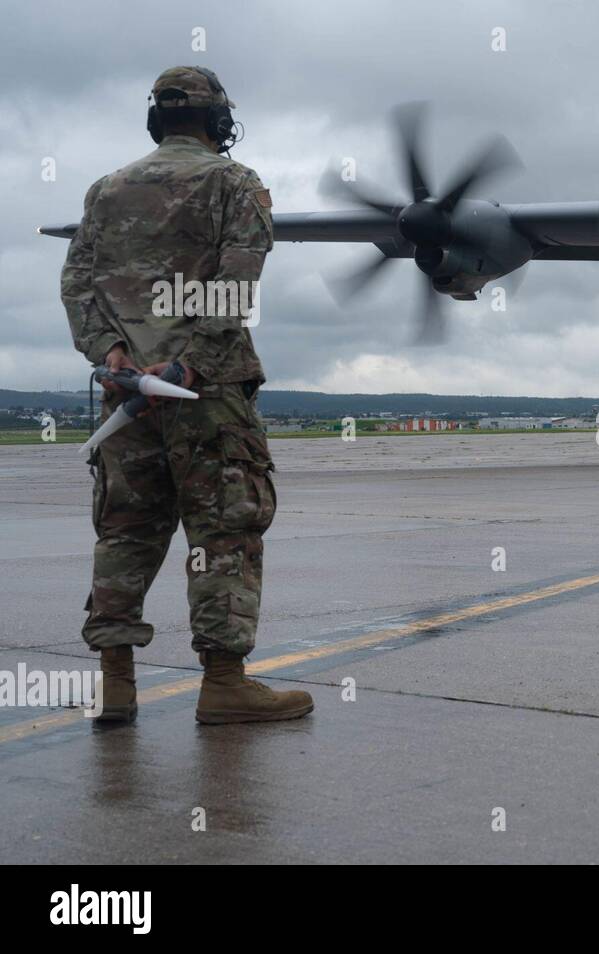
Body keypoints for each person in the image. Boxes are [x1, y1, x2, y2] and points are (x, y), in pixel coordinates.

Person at [61, 66, 312, 725]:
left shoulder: (104, 191)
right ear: (218, 121)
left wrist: (112, 359)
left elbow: (78, 285)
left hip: (126, 398)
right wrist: (192, 366)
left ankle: (116, 685)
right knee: (225, 529)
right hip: (207, 396)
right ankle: (224, 684)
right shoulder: (236, 183)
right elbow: (236, 285)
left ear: (158, 119)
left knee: (125, 530)